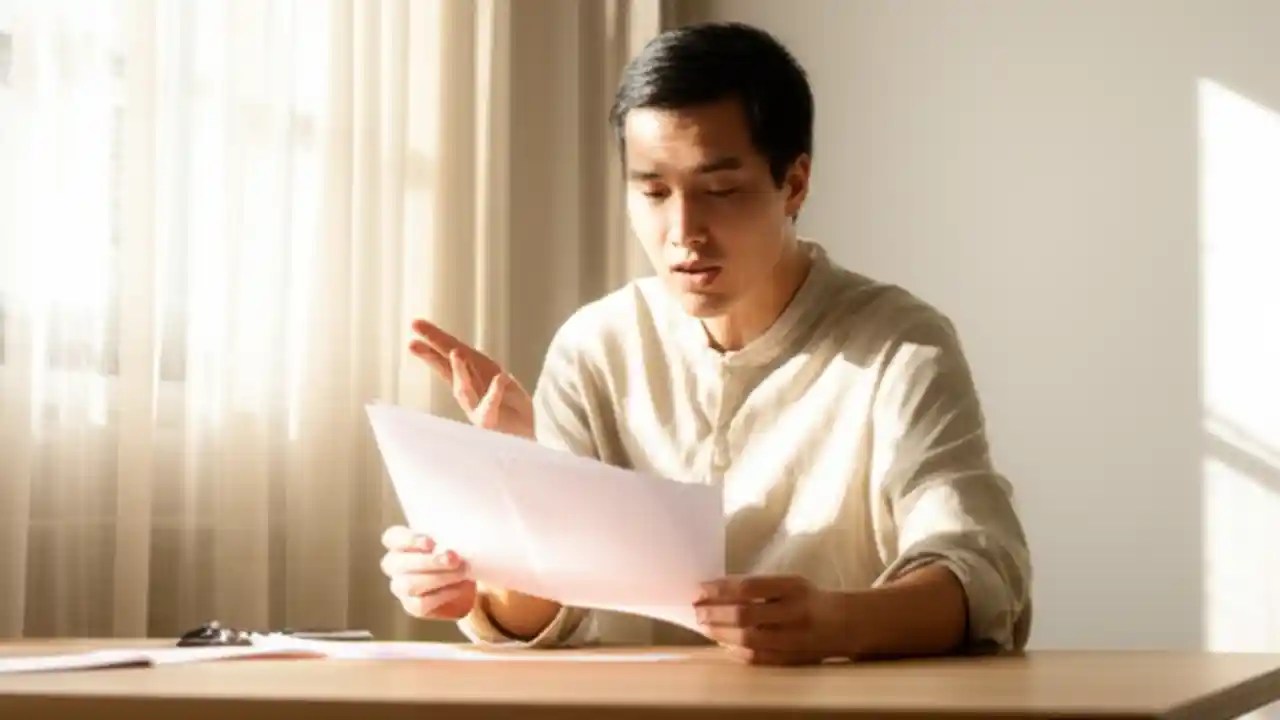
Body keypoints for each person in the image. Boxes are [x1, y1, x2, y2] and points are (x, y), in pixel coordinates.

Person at [379, 21, 1032, 666]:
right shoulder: (597, 347)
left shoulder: (897, 346)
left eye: (720, 190)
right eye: (654, 192)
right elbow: (550, 613)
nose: (683, 231)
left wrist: (840, 621)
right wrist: (487, 548)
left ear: (795, 183)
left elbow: (982, 572)